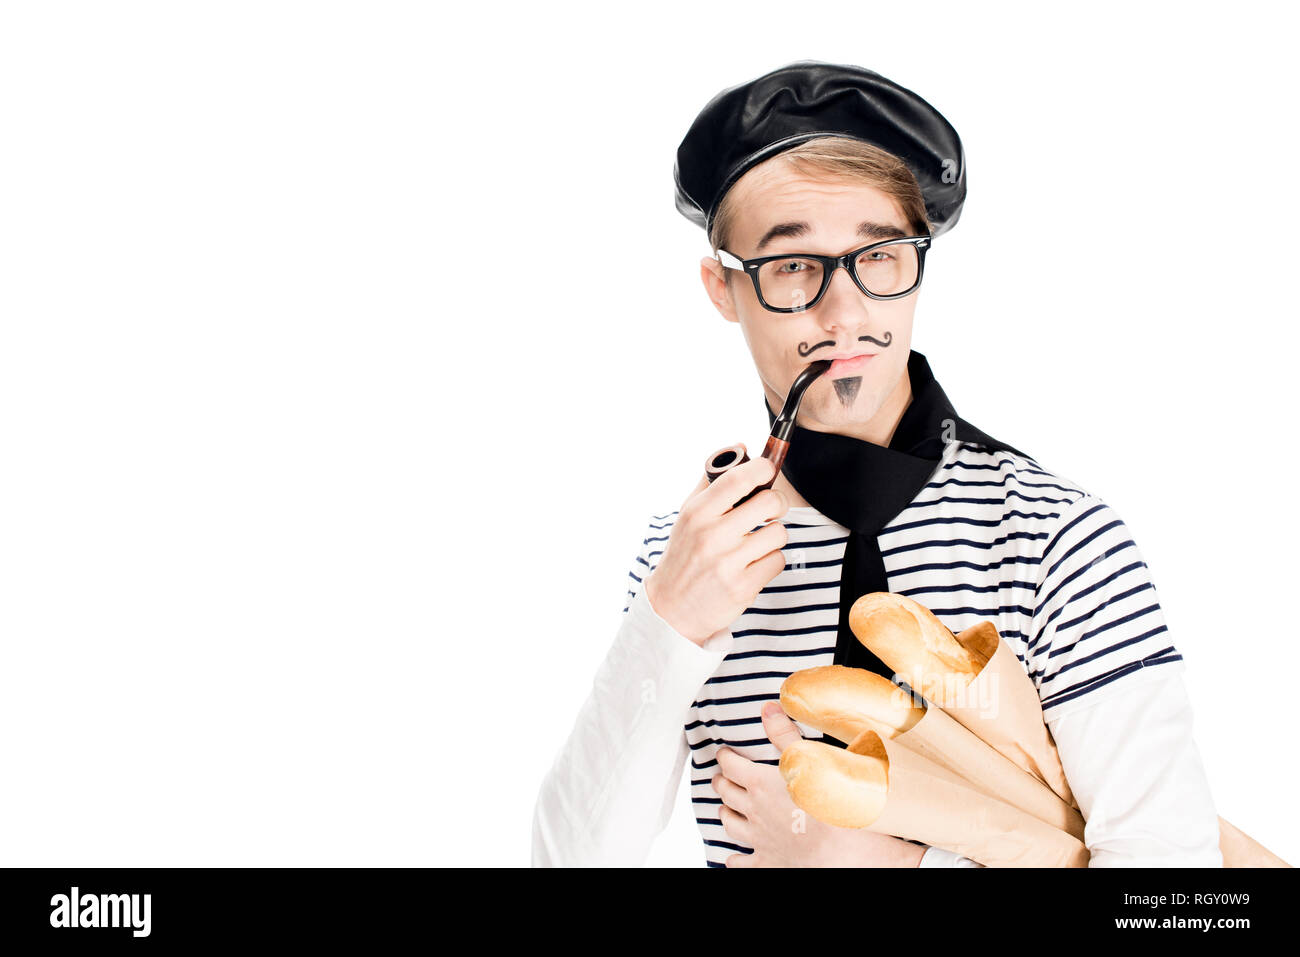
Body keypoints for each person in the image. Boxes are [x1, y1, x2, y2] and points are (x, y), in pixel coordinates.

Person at [531, 61, 1222, 868]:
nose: (846, 312)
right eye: (793, 267)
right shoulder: (686, 559)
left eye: (880, 255)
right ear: (723, 288)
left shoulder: (1055, 538)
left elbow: (1182, 897)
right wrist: (669, 622)